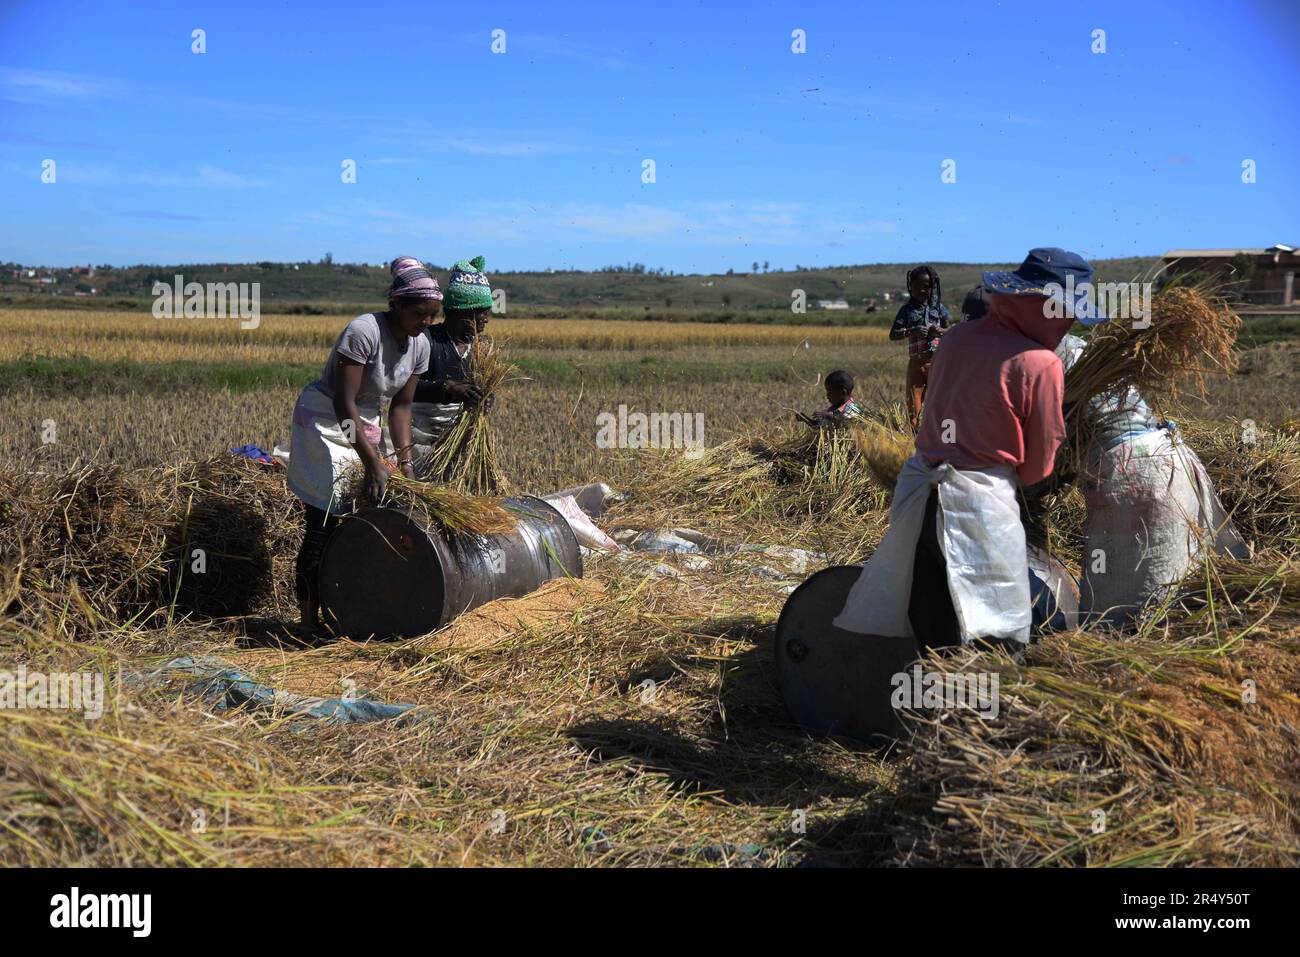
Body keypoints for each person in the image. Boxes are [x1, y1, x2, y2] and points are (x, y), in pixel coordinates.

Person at [835, 248, 1109, 654]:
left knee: (932, 626)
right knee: (993, 632)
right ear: (1044, 307)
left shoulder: (956, 338)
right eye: (1067, 312)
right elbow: (1036, 470)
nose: (1069, 323)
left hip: (917, 498)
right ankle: (980, 711)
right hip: (980, 510)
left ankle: (924, 709)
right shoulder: (1042, 364)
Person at [285, 256, 438, 636]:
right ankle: (307, 623)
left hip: (363, 420)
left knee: (367, 516)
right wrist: (372, 463)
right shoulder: (363, 332)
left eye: (433, 315)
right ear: (396, 303)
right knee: (323, 521)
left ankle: (352, 609)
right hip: (325, 420)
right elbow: (342, 402)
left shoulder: (420, 345)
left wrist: (405, 466)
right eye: (420, 313)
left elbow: (400, 409)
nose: (426, 323)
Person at [1055, 334, 1250, 626]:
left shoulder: (1034, 357)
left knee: (1124, 611)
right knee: (1181, 587)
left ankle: (1131, 656)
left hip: (1131, 475)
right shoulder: (1075, 345)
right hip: (1168, 455)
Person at [408, 257, 495, 472]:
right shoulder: (426, 340)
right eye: (482, 312)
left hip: (460, 439)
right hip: (420, 437)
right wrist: (447, 388)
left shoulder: (480, 348)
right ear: (464, 312)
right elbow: (403, 389)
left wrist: (484, 398)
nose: (487, 319)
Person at [890, 266, 952, 432]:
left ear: (933, 287)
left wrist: (939, 331)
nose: (923, 290)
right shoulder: (907, 310)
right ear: (911, 286)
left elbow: (951, 330)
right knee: (914, 405)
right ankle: (914, 438)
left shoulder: (938, 307)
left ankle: (947, 441)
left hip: (938, 364)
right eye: (919, 286)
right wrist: (911, 331)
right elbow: (893, 334)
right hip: (916, 364)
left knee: (943, 403)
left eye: (927, 286)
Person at [798, 369, 863, 428]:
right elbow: (819, 427)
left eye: (830, 392)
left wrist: (829, 416)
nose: (827, 395)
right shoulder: (833, 409)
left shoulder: (853, 409)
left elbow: (847, 424)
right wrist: (805, 419)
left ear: (843, 392)